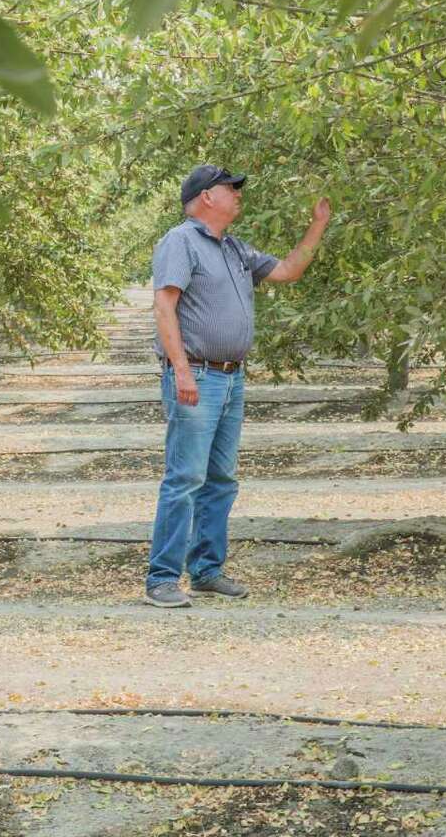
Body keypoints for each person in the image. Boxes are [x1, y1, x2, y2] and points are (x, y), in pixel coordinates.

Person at [144, 164, 331, 608]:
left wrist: (318, 225)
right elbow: (164, 307)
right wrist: (182, 371)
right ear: (207, 197)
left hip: (230, 378)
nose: (238, 195)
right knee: (185, 477)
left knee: (221, 479)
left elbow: (288, 271)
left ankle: (206, 570)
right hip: (197, 375)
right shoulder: (181, 242)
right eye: (231, 188)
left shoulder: (233, 249)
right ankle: (162, 579)